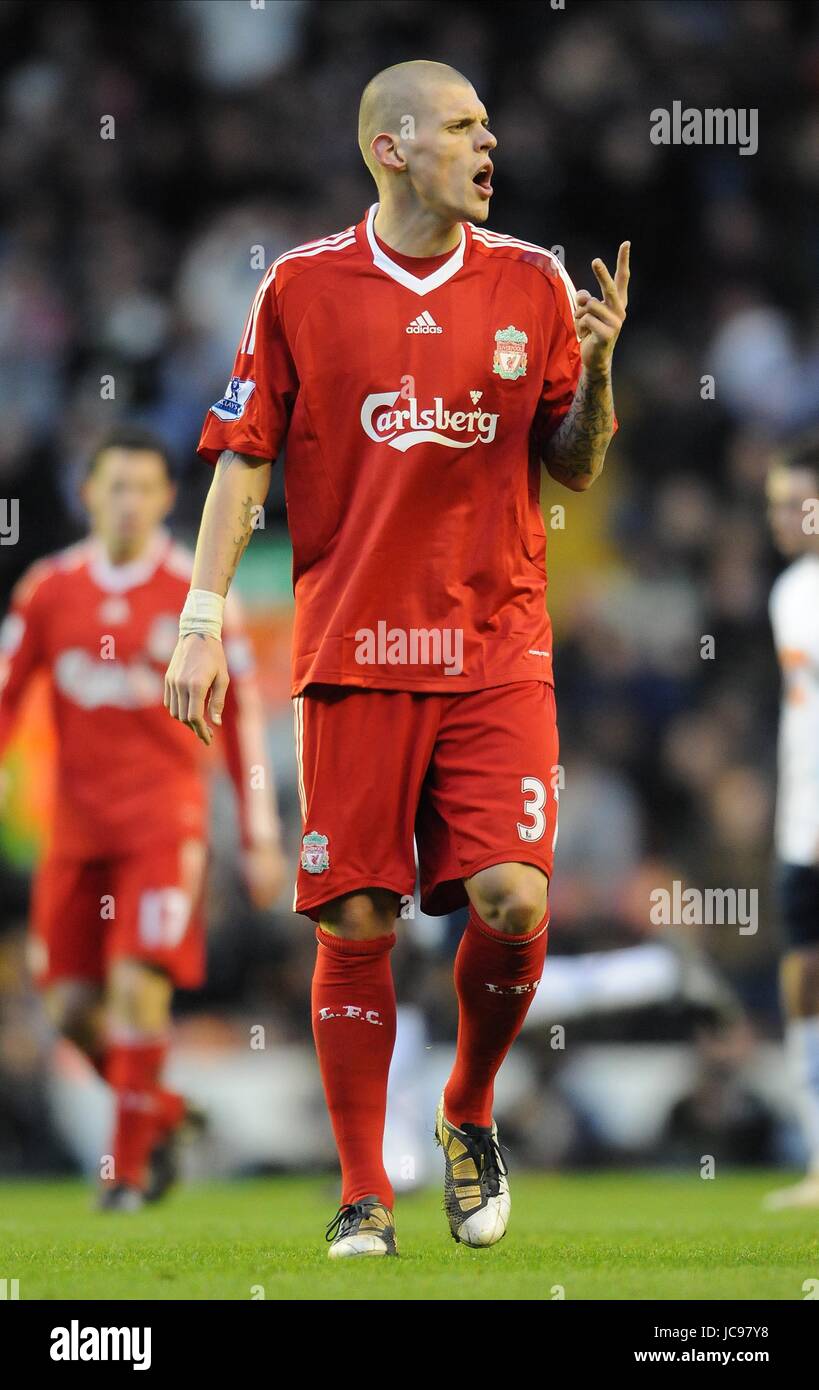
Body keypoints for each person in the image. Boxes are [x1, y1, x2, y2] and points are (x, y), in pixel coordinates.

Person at [165, 59, 628, 1256]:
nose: (489, 145)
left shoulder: (531, 281)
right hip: (356, 651)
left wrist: (599, 370)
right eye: (464, 127)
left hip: (494, 644)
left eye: (489, 125)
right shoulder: (300, 286)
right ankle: (365, 1188)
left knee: (514, 895)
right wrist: (202, 618)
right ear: (392, 147)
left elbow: (575, 464)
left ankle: (466, 1105)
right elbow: (244, 459)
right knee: (358, 918)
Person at [0, 426, 285, 1209]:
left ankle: (126, 1174)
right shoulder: (48, 590)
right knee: (68, 1009)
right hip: (74, 832)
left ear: (167, 499)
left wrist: (259, 837)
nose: (128, 501)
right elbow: (6, 696)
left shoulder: (197, 598)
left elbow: (242, 719)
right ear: (87, 495)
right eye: (114, 486)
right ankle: (159, 1110)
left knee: (137, 985)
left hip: (164, 828)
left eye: (144, 488)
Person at [764, 437, 819, 1209]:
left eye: (795, 502)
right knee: (802, 976)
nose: (779, 516)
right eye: (773, 503)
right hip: (799, 821)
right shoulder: (789, 590)